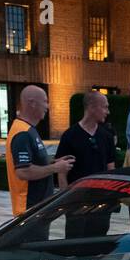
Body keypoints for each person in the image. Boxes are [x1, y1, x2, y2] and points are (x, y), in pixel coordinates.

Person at [5, 84, 73, 216]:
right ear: (32, 103)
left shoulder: (28, 130)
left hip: (37, 208)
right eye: (45, 101)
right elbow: (23, 171)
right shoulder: (22, 133)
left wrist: (53, 162)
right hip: (29, 210)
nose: (47, 107)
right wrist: (55, 168)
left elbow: (32, 162)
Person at [55, 89, 115, 237]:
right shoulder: (70, 136)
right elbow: (62, 172)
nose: (108, 111)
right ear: (92, 107)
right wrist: (66, 201)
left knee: (97, 241)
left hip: (101, 203)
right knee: (74, 241)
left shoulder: (106, 137)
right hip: (77, 203)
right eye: (105, 107)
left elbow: (111, 167)